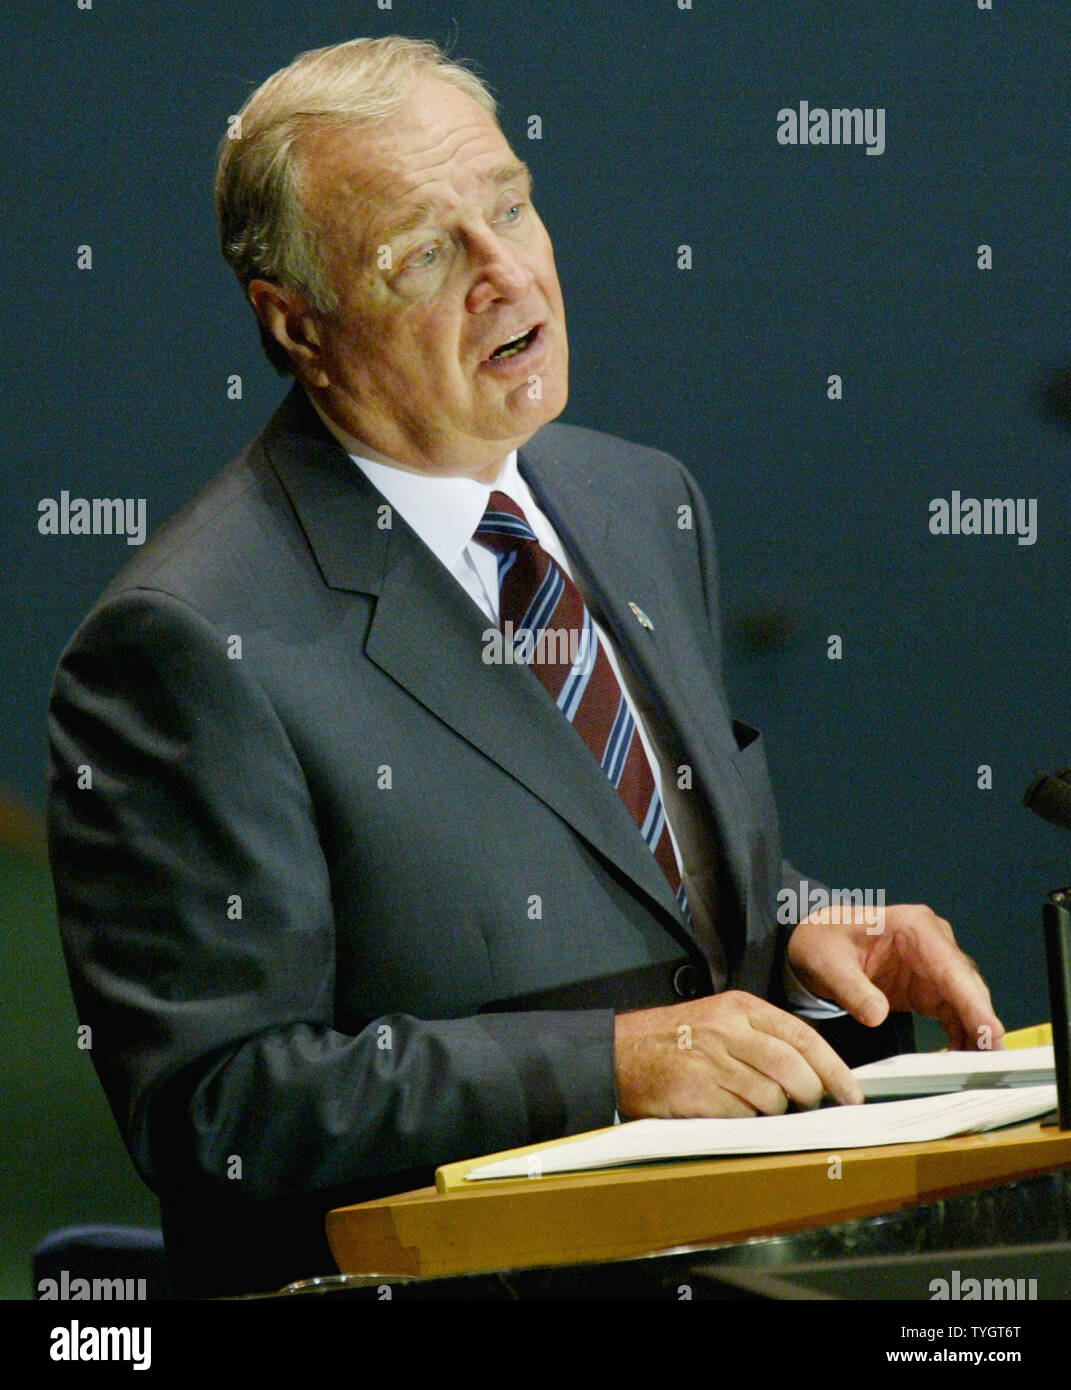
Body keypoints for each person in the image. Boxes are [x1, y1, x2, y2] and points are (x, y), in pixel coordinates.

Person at [46, 36, 1002, 1298]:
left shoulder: (640, 500)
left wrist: (801, 930)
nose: (508, 273)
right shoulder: (187, 641)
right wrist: (608, 1065)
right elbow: (216, 1106)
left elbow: (625, 868)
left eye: (508, 204)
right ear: (297, 323)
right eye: (426, 251)